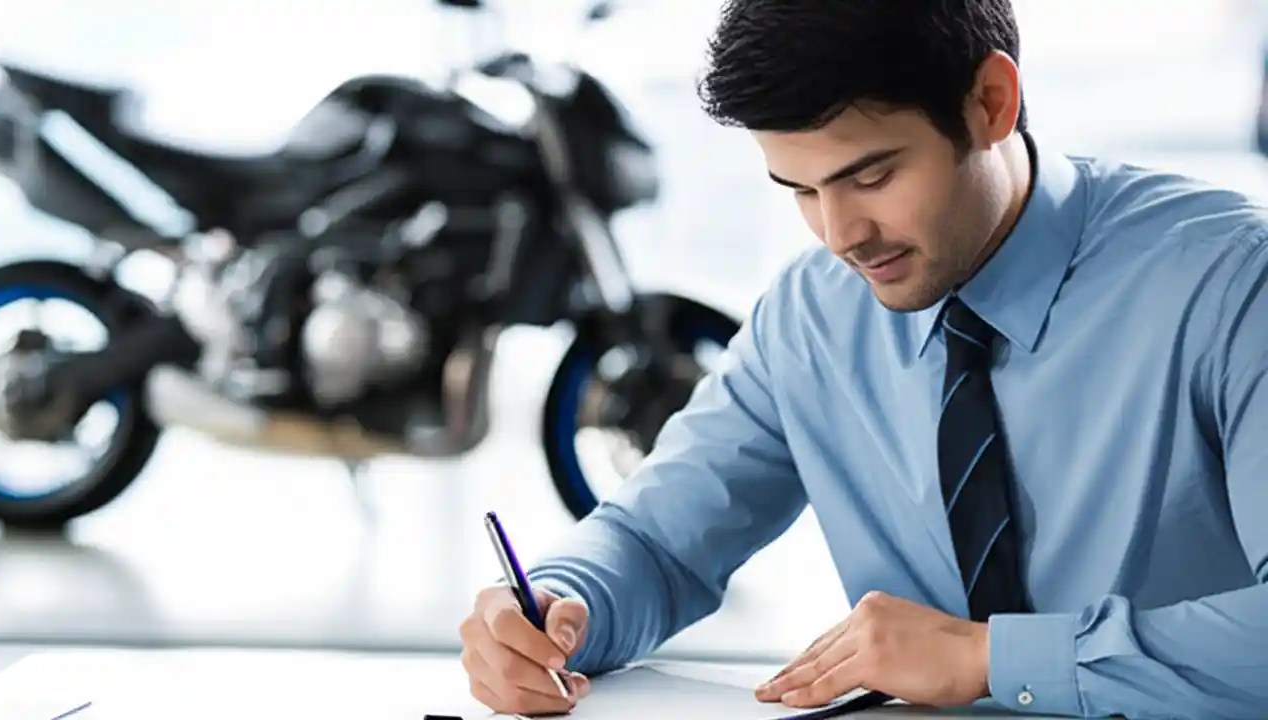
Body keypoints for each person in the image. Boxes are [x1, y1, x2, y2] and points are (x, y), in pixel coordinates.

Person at [458, 1, 1268, 717]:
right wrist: (560, 607)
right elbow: (657, 543)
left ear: (991, 102)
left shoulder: (1231, 283)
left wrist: (988, 659)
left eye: (871, 176)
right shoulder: (812, 318)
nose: (840, 237)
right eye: (802, 191)